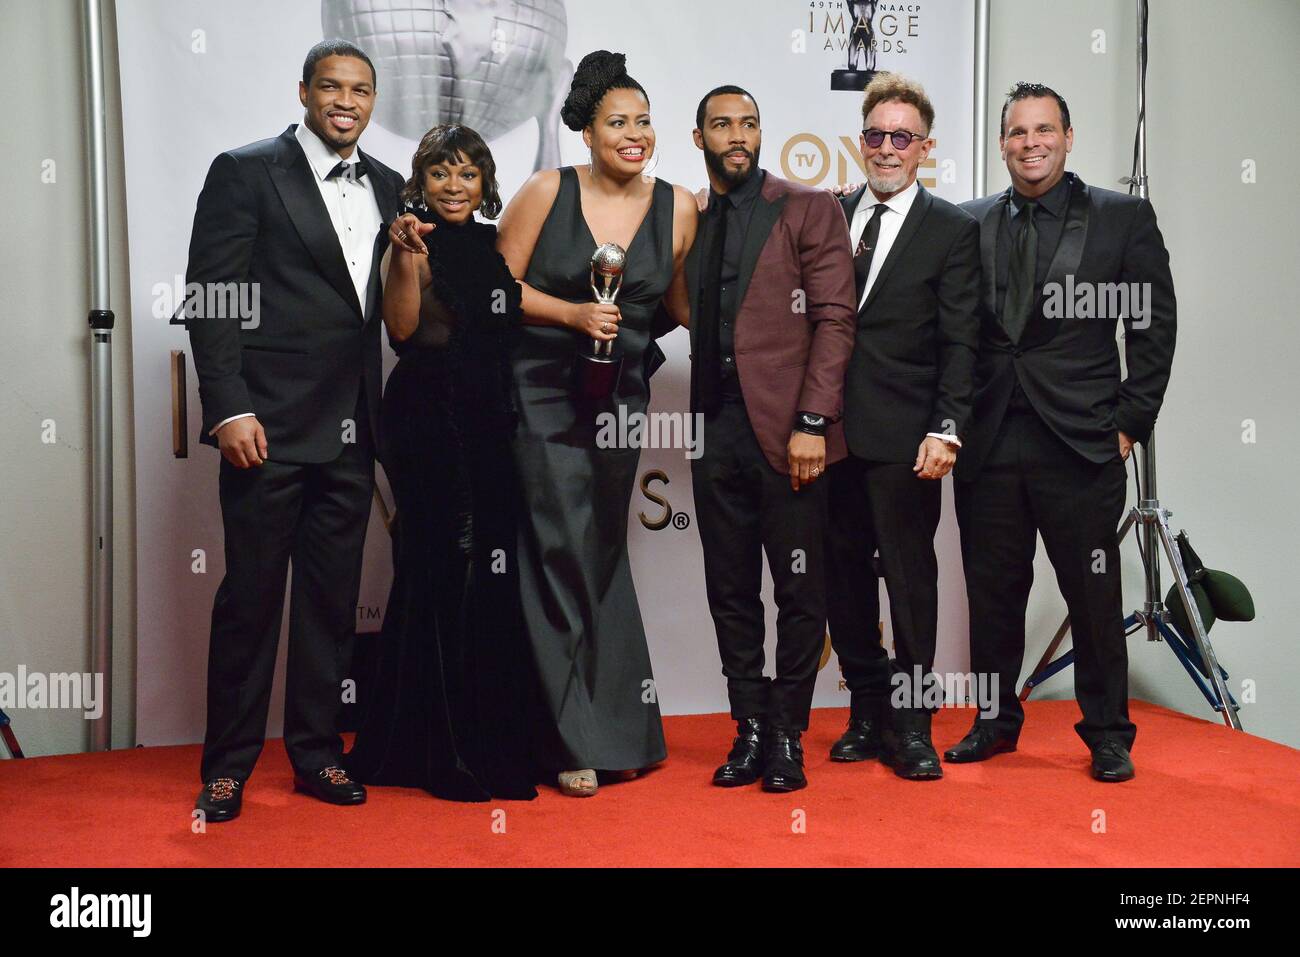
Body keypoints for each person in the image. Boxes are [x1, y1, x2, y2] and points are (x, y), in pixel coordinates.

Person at [185, 41, 404, 822]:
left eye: (362, 90)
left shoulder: (389, 184)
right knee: (249, 600)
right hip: (266, 426)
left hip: (351, 428)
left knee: (329, 603)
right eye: (332, 87)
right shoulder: (246, 170)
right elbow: (212, 295)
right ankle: (227, 767)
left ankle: (317, 753)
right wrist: (228, 407)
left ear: (373, 101)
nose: (347, 101)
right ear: (305, 91)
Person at [949, 82, 1177, 782]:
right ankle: (993, 719)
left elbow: (1152, 324)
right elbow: (954, 332)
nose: (1031, 143)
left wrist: (1130, 424)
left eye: (1044, 130)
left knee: (1093, 592)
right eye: (1018, 132)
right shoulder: (967, 221)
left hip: (1080, 441)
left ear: (1068, 137)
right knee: (990, 592)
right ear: (1001, 143)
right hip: (987, 439)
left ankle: (1108, 732)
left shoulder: (1121, 218)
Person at [495, 51, 698, 797]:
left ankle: (620, 731)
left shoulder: (679, 206)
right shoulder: (547, 190)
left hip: (620, 400)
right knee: (556, 550)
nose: (635, 133)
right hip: (542, 395)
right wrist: (572, 312)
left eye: (644, 120)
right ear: (586, 132)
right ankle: (564, 736)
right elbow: (495, 289)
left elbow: (679, 306)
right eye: (618, 122)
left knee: (603, 549)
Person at [342, 125, 536, 802]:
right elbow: (399, 329)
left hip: (488, 418)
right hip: (428, 418)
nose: (454, 186)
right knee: (444, 569)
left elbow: (513, 315)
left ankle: (486, 738)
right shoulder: (407, 242)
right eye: (440, 174)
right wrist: (401, 258)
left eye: (467, 174)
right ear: (419, 183)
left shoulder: (491, 245)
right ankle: (443, 749)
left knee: (487, 571)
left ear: (485, 184)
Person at [688, 85, 856, 793]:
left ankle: (788, 734)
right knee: (729, 591)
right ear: (698, 138)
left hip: (791, 434)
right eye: (722, 124)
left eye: (748, 123)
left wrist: (813, 422)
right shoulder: (692, 219)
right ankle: (748, 728)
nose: (737, 134)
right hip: (714, 430)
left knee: (797, 590)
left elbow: (835, 319)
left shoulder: (806, 207)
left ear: (761, 133)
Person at [823, 74, 980, 780]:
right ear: (862, 143)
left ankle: (913, 725)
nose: (888, 149)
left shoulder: (953, 229)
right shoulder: (829, 214)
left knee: (911, 584)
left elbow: (962, 342)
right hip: (828, 439)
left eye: (902, 138)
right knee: (842, 579)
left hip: (908, 438)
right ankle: (866, 711)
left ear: (926, 149)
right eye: (877, 135)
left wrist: (946, 427)